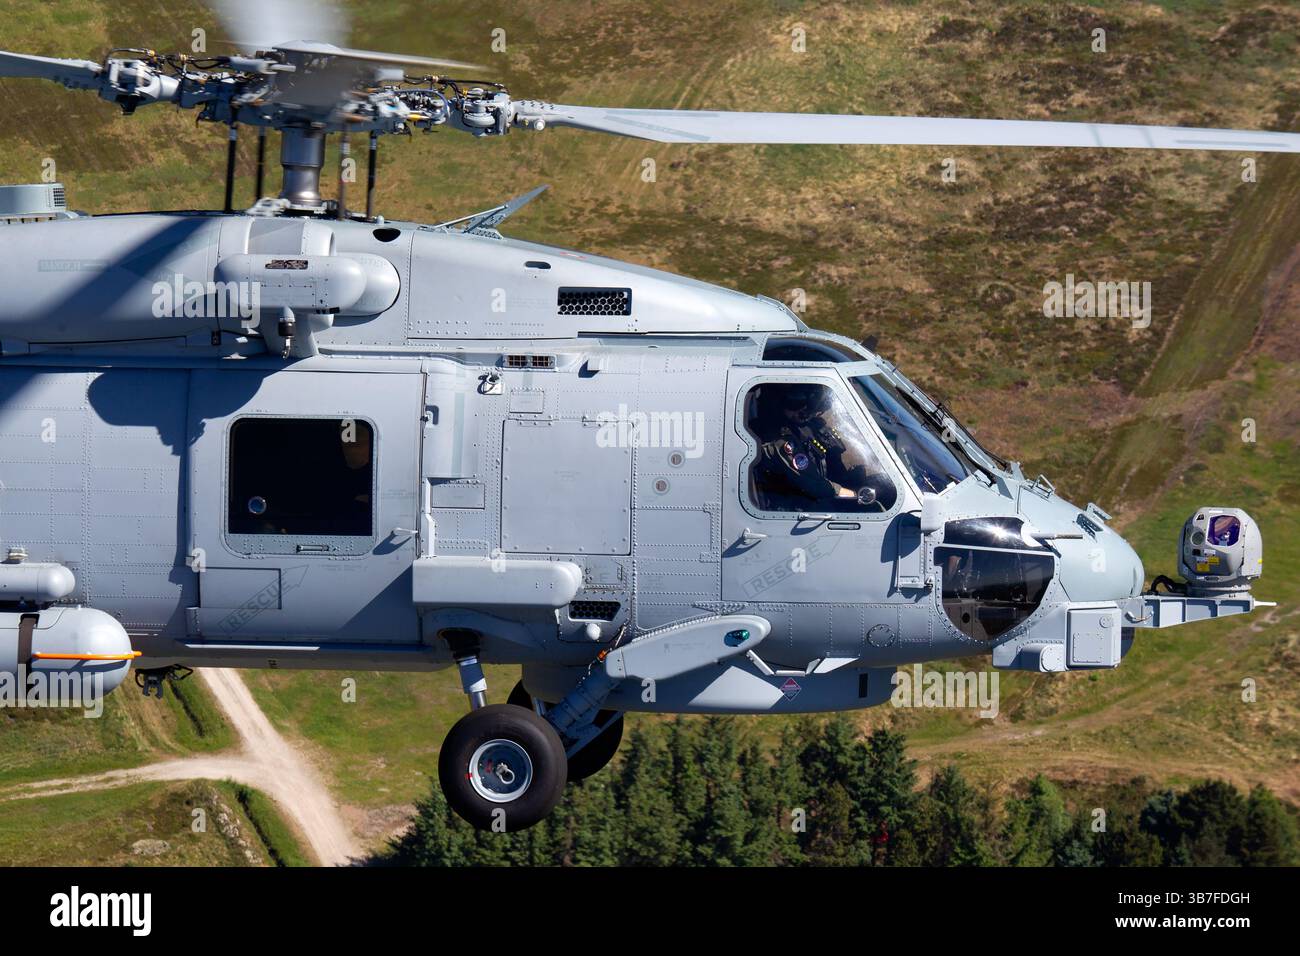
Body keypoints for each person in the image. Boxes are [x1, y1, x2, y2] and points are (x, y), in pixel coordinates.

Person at [751, 384, 864, 510]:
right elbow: (816, 485)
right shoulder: (776, 437)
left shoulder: (809, 427)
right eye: (794, 402)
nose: (804, 413)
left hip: (811, 495)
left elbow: (833, 461)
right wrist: (855, 495)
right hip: (793, 508)